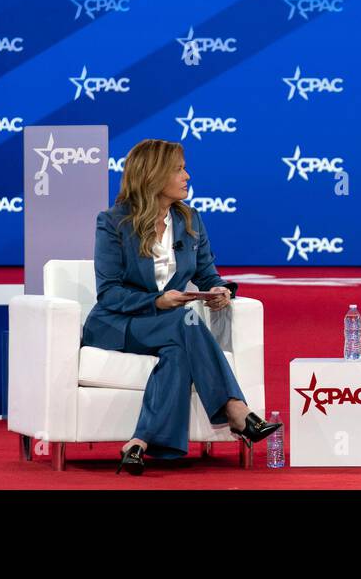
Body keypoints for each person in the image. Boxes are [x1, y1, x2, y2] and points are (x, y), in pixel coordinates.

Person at [82, 138, 278, 474]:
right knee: (183, 319)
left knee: (176, 351)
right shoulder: (113, 222)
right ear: (154, 176)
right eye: (179, 169)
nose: (187, 176)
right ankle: (235, 409)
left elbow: (207, 273)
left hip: (169, 327)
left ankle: (139, 443)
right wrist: (156, 300)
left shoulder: (190, 220)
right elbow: (109, 293)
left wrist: (219, 291)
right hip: (120, 325)